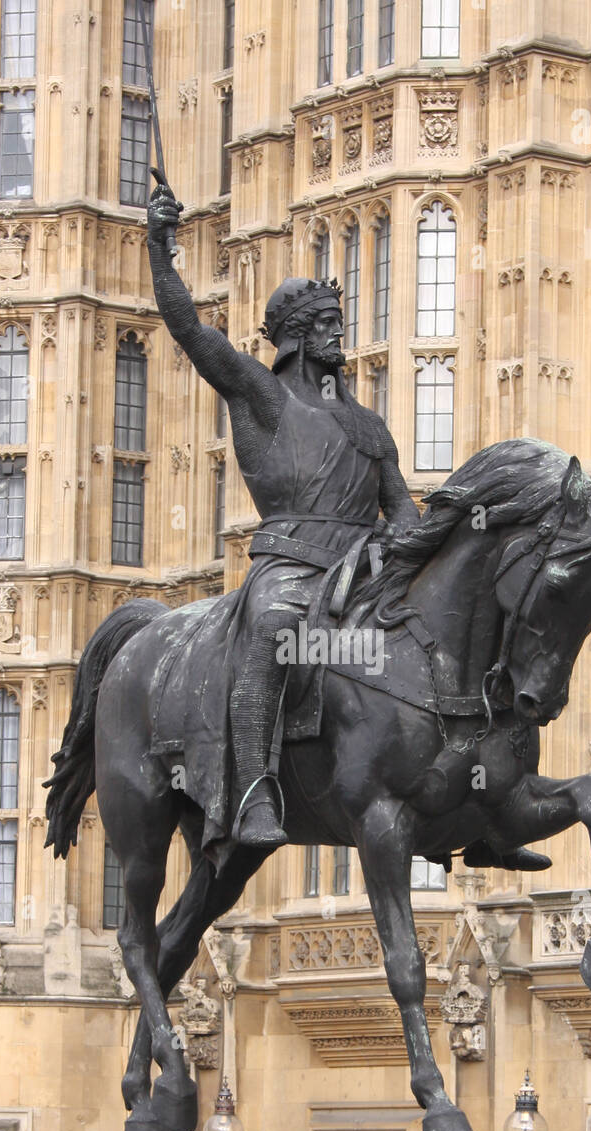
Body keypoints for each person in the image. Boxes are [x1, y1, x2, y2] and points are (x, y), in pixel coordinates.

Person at [147, 181, 419, 848]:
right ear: (296, 337)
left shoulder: (368, 426)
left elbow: (404, 513)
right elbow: (189, 329)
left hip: (361, 575)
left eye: (339, 323)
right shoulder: (261, 397)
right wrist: (160, 249)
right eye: (326, 325)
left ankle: (475, 788)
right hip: (291, 568)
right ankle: (250, 793)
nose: (339, 335)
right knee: (270, 631)